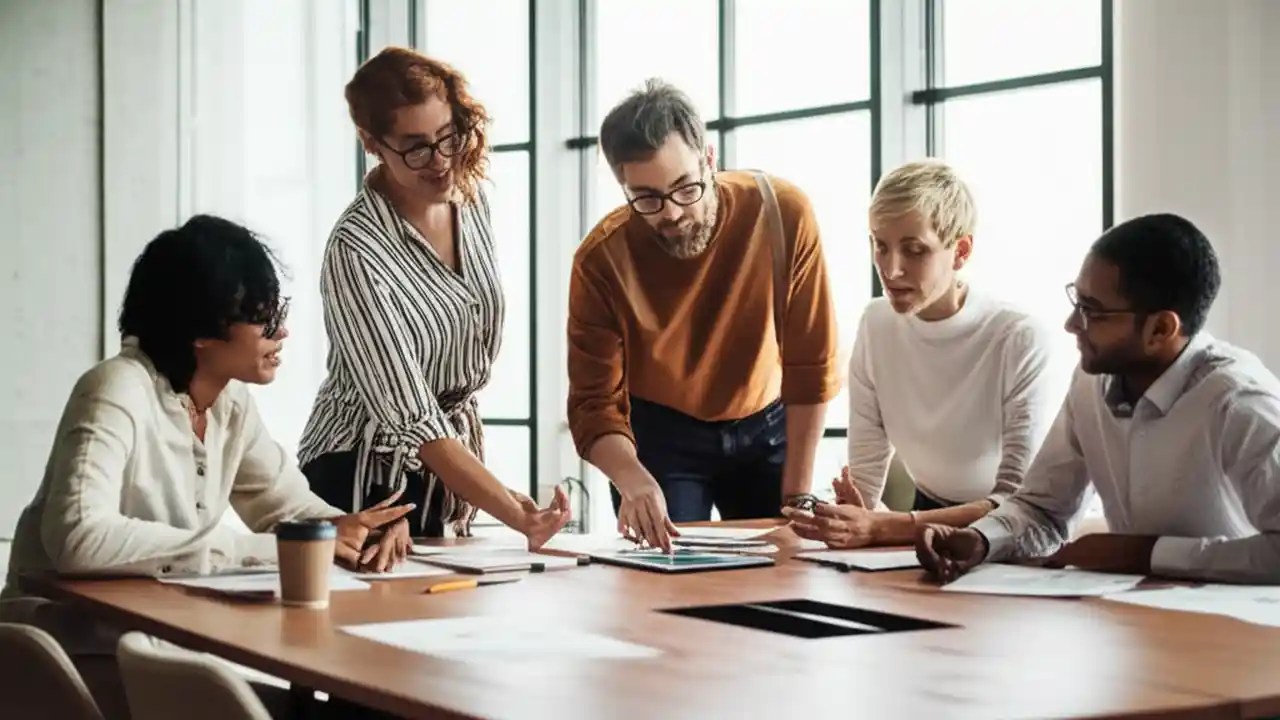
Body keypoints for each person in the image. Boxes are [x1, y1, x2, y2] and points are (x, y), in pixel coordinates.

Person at [0, 215, 413, 719]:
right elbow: (78, 538)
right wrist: (250, 552)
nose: (281, 330)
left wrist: (349, 529)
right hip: (68, 664)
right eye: (263, 317)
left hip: (151, 653)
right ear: (202, 332)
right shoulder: (116, 387)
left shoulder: (228, 403)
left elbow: (283, 503)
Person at [297, 47, 569, 549]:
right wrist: (513, 512)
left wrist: (493, 493)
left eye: (448, 137)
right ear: (372, 143)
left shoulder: (471, 197)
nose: (441, 161)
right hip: (360, 473)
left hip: (444, 467)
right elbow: (415, 420)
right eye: (416, 148)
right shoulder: (356, 251)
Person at [917, 213, 1280, 584]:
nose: (1072, 324)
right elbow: (1043, 510)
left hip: (1236, 628)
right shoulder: (1092, 381)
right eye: (1077, 301)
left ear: (1160, 328)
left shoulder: (1239, 400)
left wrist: (1146, 553)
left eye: (1092, 311)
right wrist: (981, 539)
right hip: (1135, 618)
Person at [567, 78, 840, 551]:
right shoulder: (600, 260)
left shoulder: (782, 213)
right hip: (659, 437)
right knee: (667, 582)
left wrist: (797, 497)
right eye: (646, 198)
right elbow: (594, 406)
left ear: (709, 160)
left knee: (782, 574)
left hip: (768, 423)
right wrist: (633, 480)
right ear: (623, 187)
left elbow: (812, 365)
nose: (671, 213)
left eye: (684, 188)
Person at [783, 160, 1059, 548]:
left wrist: (881, 526)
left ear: (960, 251)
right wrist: (849, 512)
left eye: (914, 251)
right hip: (924, 512)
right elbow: (864, 481)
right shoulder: (875, 324)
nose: (891, 270)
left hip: (1015, 529)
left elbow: (1017, 503)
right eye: (880, 246)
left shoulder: (1019, 338)